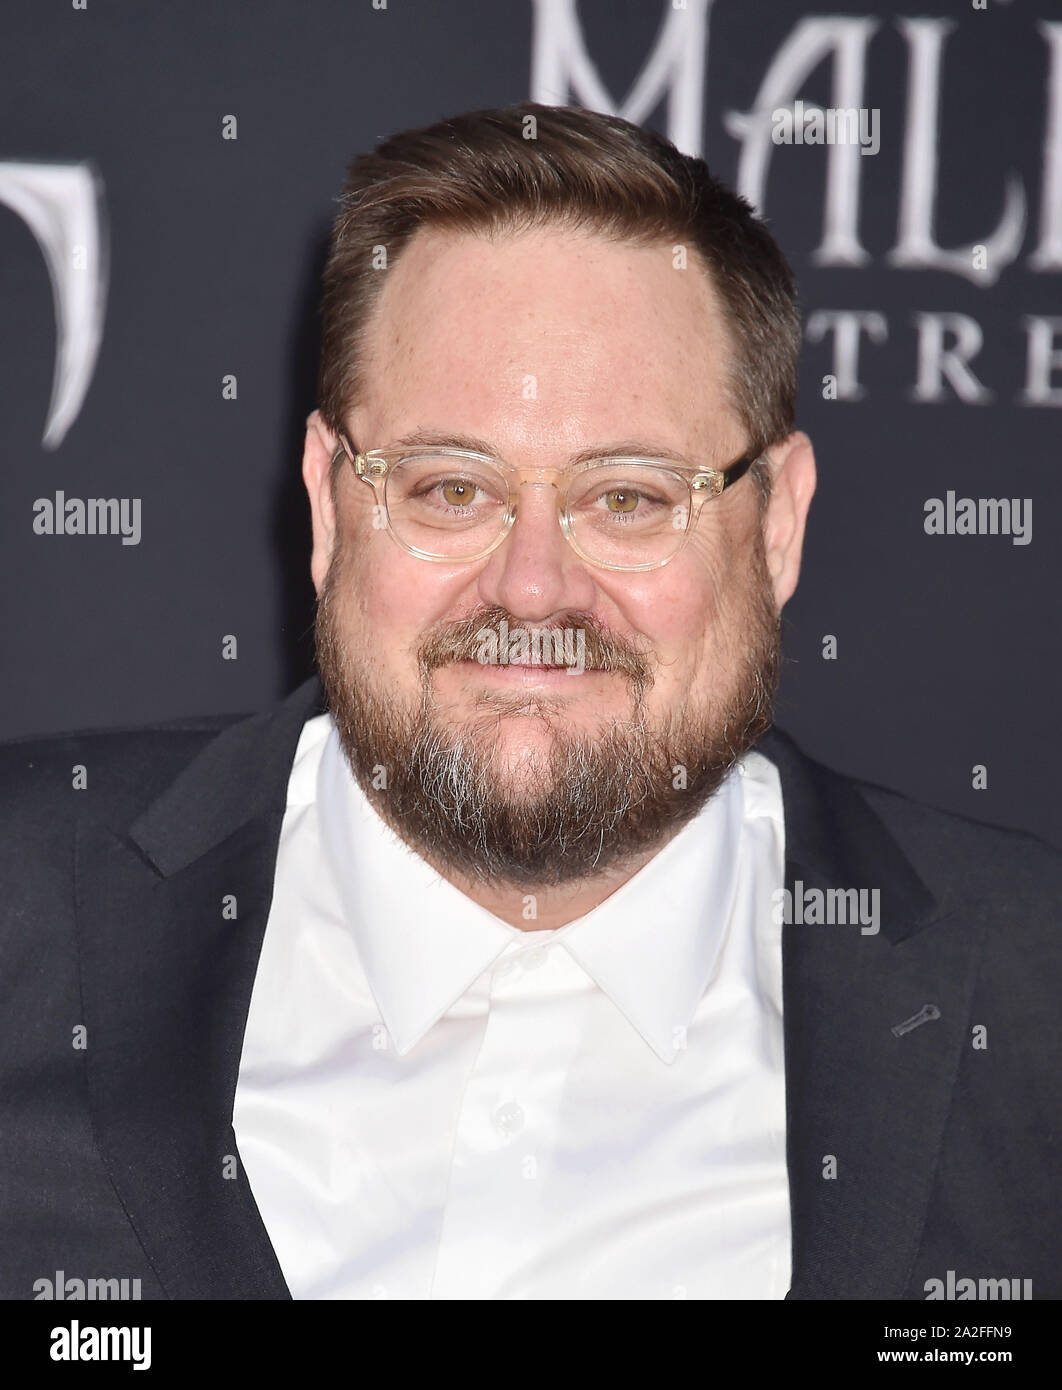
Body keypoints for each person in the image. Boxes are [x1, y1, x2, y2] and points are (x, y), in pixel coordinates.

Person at [2, 102, 1059, 1302]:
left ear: (777, 528)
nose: (534, 585)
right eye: (452, 487)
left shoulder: (1032, 1003)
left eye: (631, 497)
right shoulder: (22, 913)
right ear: (327, 501)